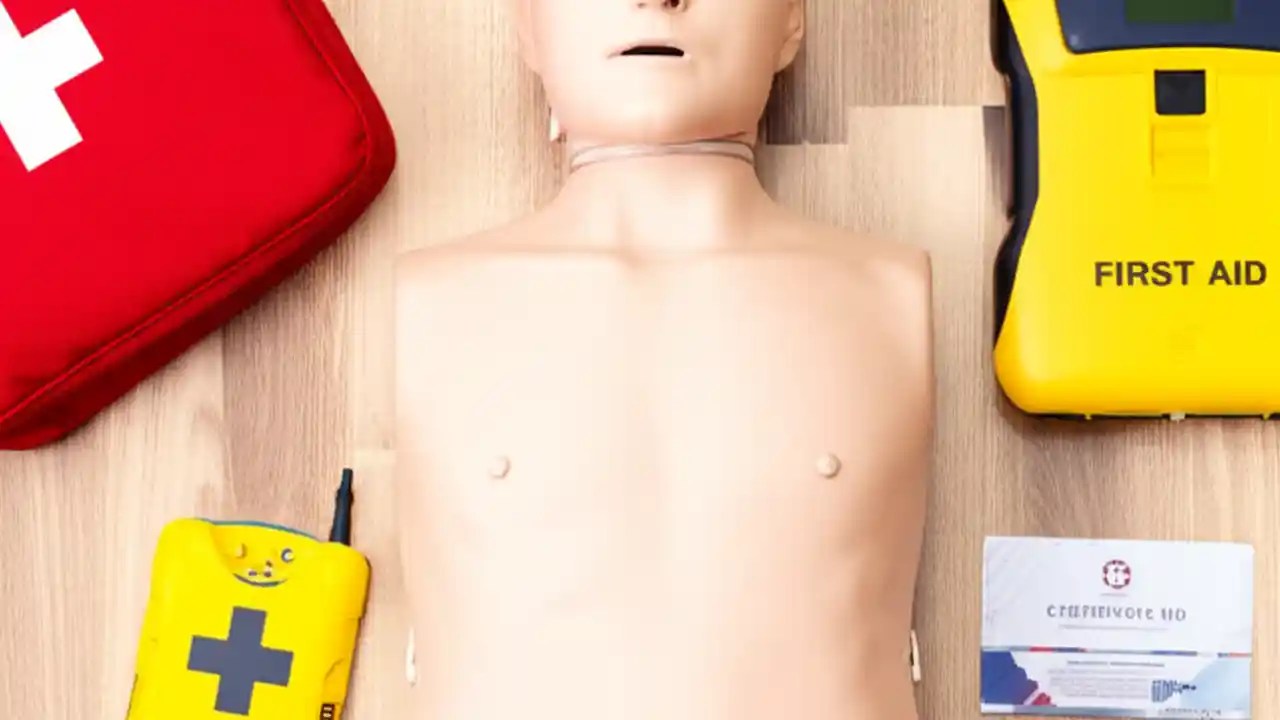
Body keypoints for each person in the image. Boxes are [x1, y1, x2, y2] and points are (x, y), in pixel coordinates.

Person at [394, 0, 935, 717]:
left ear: (792, 23)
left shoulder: (887, 291)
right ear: (528, 27)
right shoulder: (434, 298)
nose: (656, 0)